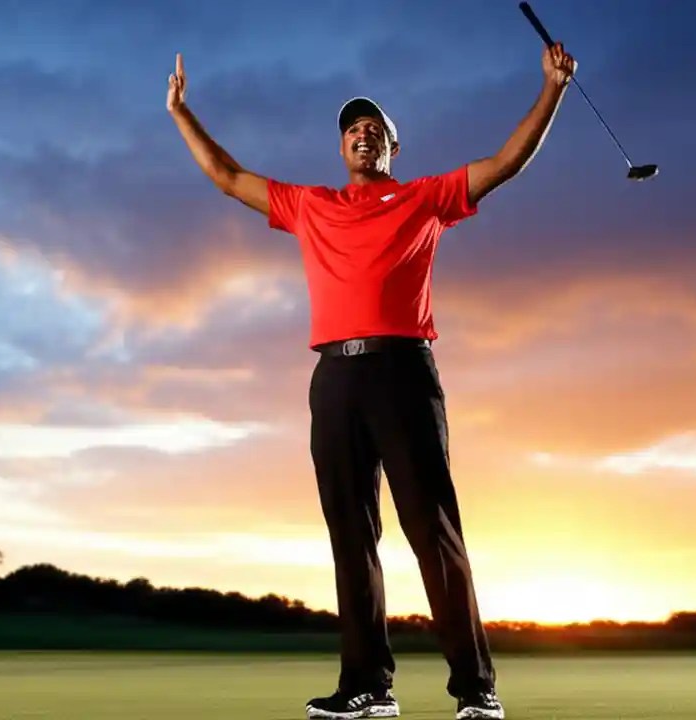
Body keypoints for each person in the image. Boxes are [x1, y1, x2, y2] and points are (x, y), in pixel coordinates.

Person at [168, 41, 577, 720]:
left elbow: (506, 163)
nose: (361, 133)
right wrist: (181, 112)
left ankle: (476, 691)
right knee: (350, 538)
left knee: (432, 529)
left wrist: (552, 89)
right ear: (342, 149)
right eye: (352, 129)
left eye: (374, 128)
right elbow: (226, 174)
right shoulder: (309, 205)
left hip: (402, 372)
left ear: (392, 145)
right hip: (333, 377)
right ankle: (366, 687)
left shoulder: (424, 198)